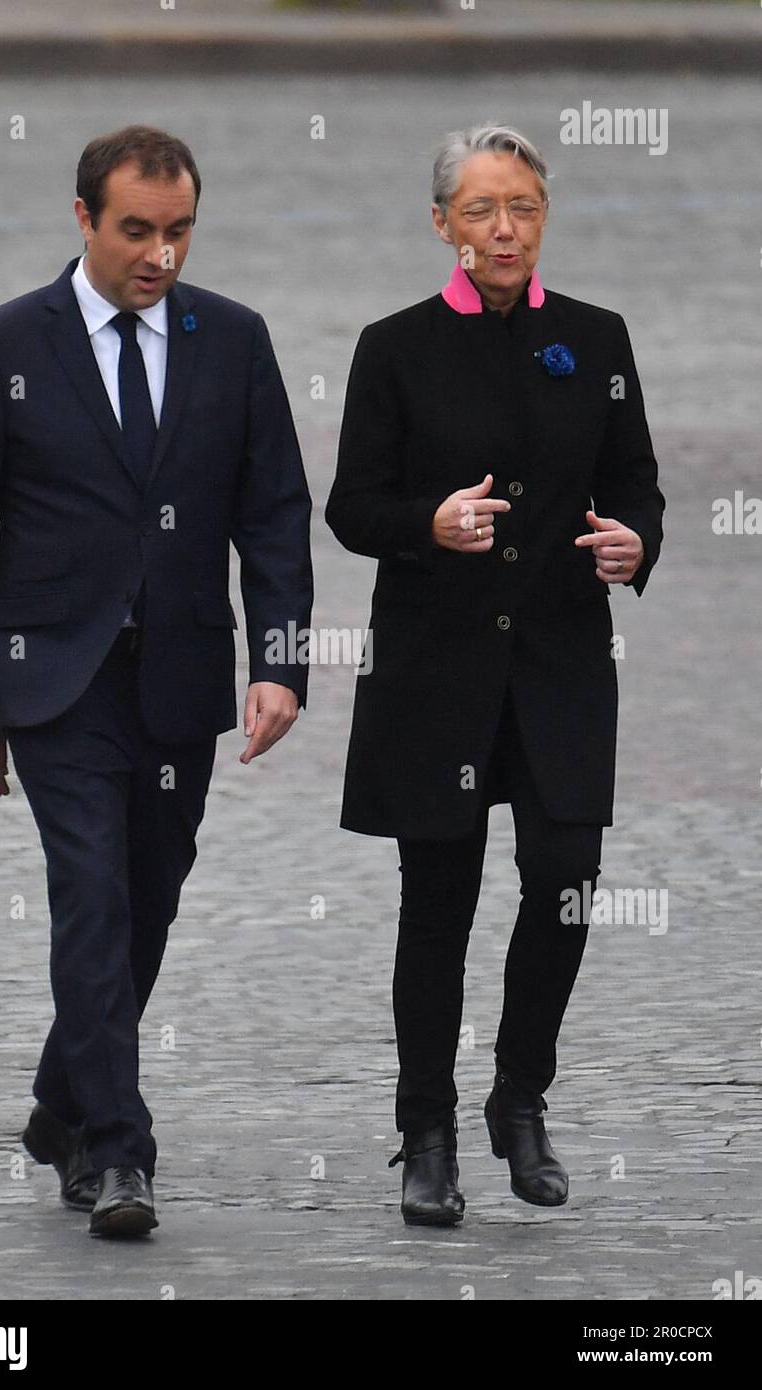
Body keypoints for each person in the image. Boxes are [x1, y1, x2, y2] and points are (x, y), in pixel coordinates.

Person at [0, 125, 313, 1238]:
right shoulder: (2, 342)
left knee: (146, 901)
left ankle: (61, 1100)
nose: (162, 254)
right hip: (51, 678)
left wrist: (281, 661)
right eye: (138, 230)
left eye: (180, 229)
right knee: (90, 893)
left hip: (181, 677)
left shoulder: (231, 341)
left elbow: (272, 511)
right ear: (85, 218)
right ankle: (115, 1149)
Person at [325, 123, 664, 1227]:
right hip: (438, 668)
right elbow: (352, 508)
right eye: (480, 210)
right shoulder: (395, 345)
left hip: (561, 660)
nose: (504, 228)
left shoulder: (597, 338)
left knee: (565, 878)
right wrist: (427, 522)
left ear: (542, 216)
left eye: (520, 206)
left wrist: (634, 545)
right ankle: (424, 1128)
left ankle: (519, 1098)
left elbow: (639, 486)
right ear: (442, 226)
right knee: (439, 902)